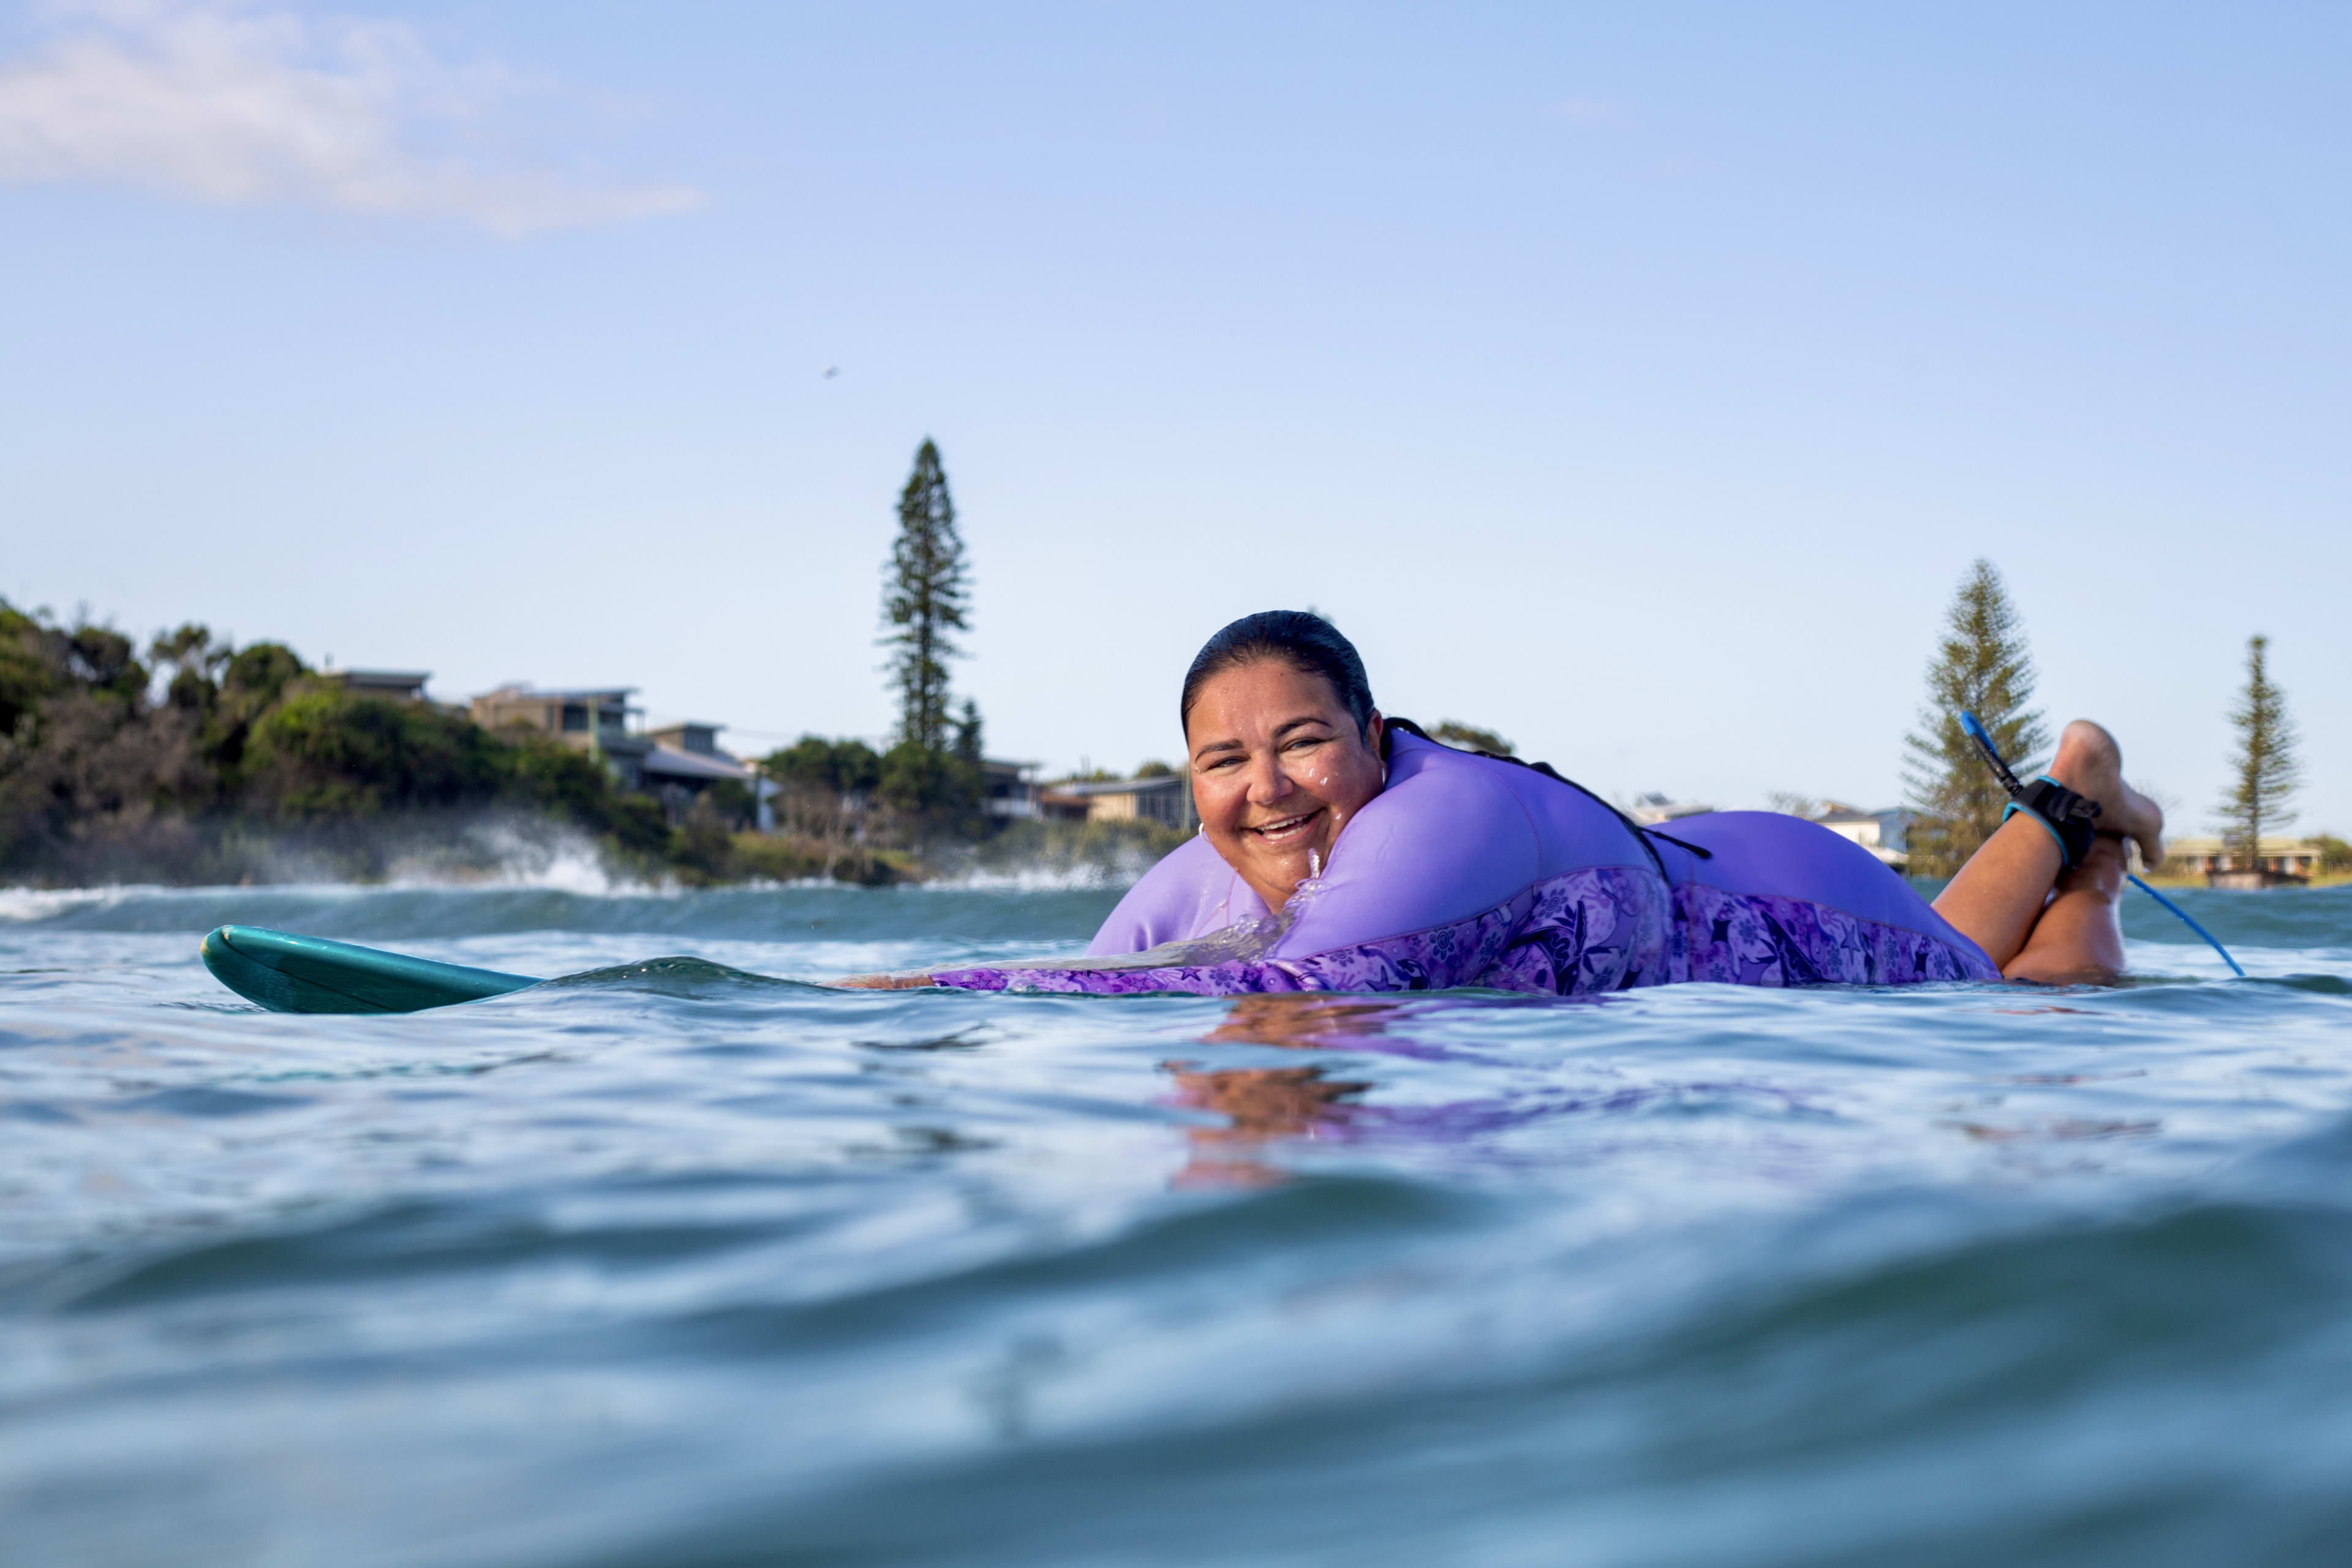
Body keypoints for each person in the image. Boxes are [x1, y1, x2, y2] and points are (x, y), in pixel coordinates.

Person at [839, 611, 2163, 994]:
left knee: (2011, 982)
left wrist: (923, 988)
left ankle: (2083, 825)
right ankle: (2072, 805)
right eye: (1223, 762)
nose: (1265, 788)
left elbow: (1311, 989)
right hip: (1692, 859)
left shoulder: (1436, 821)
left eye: (1301, 743)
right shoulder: (1211, 871)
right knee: (1973, 944)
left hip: (1790, 895)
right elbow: (1111, 980)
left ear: (1372, 734)